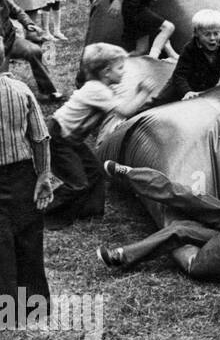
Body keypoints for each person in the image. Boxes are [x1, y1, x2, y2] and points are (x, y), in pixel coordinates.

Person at [46, 44, 151, 225]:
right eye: (120, 68)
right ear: (106, 72)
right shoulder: (97, 90)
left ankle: (90, 212)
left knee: (94, 170)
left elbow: (121, 105)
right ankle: (43, 212)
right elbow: (125, 111)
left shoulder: (102, 88)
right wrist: (144, 93)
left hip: (71, 138)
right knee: (77, 183)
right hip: (58, 137)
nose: (124, 72)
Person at [0, 43, 55, 322]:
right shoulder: (21, 90)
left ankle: (5, 310)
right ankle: (34, 305)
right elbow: (40, 136)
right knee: (27, 235)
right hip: (22, 173)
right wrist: (44, 175)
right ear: (5, 59)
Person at [154, 9, 220, 105]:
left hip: (205, 89)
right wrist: (187, 92)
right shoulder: (190, 49)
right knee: (157, 103)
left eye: (216, 33)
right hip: (180, 88)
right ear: (196, 33)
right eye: (207, 34)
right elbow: (179, 75)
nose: (212, 38)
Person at [0, 0, 60, 100]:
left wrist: (29, 24)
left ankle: (48, 91)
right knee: (3, 77)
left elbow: (18, 12)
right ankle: (7, 101)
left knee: (34, 50)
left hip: (10, 40)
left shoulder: (2, 0)